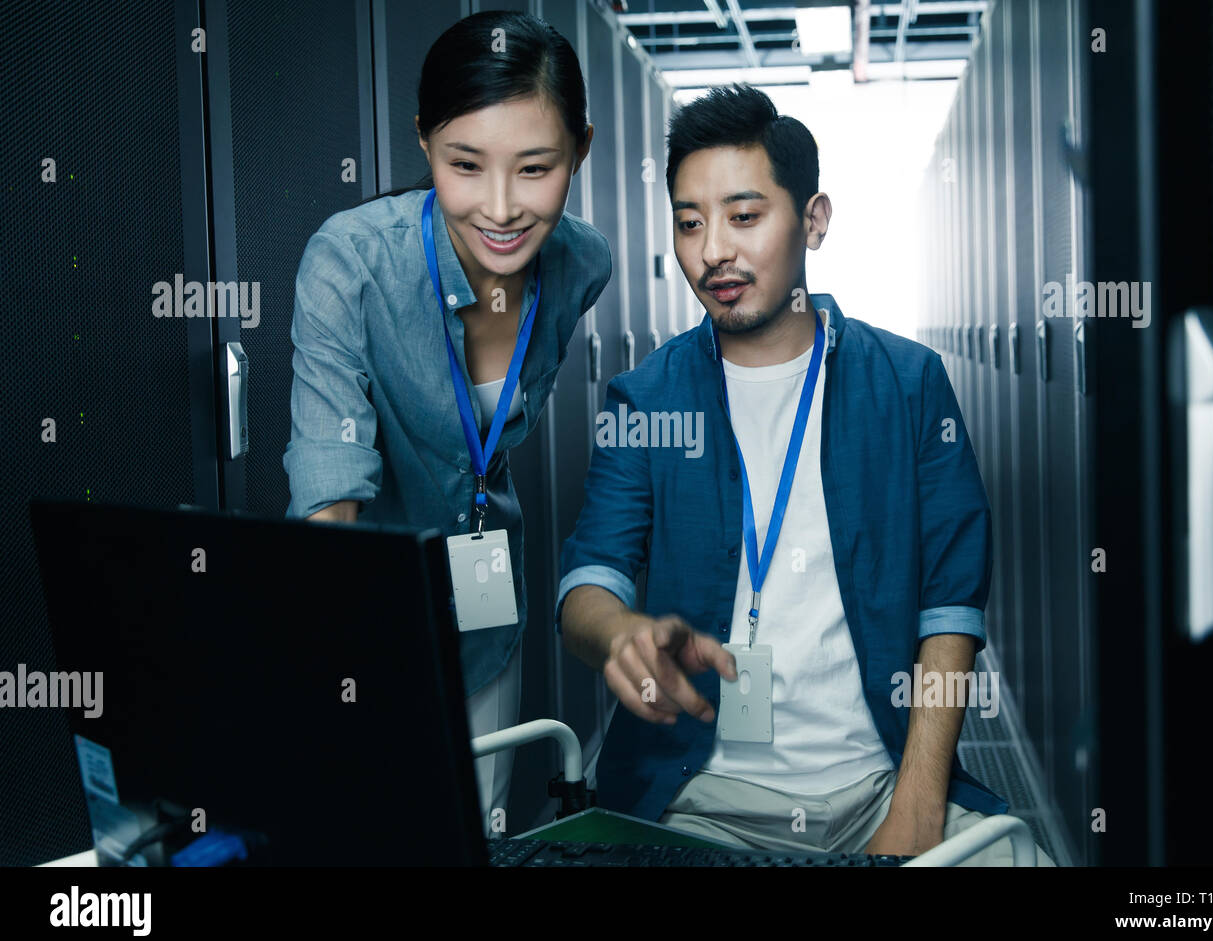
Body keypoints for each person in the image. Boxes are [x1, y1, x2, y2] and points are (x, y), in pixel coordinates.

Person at [556, 84, 1054, 866]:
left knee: (1019, 859)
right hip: (699, 802)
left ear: (813, 220)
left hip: (880, 787)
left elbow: (950, 610)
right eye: (690, 223)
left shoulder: (909, 383)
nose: (713, 248)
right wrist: (619, 631)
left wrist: (917, 807)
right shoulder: (647, 398)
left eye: (744, 217)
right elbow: (589, 577)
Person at [283, 11, 611, 839]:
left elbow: (494, 436)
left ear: (582, 151)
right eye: (466, 165)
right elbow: (329, 487)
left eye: (536, 168)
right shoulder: (351, 261)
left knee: (478, 835)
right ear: (424, 143)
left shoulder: (583, 264)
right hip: (361, 619)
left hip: (483, 613)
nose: (501, 209)